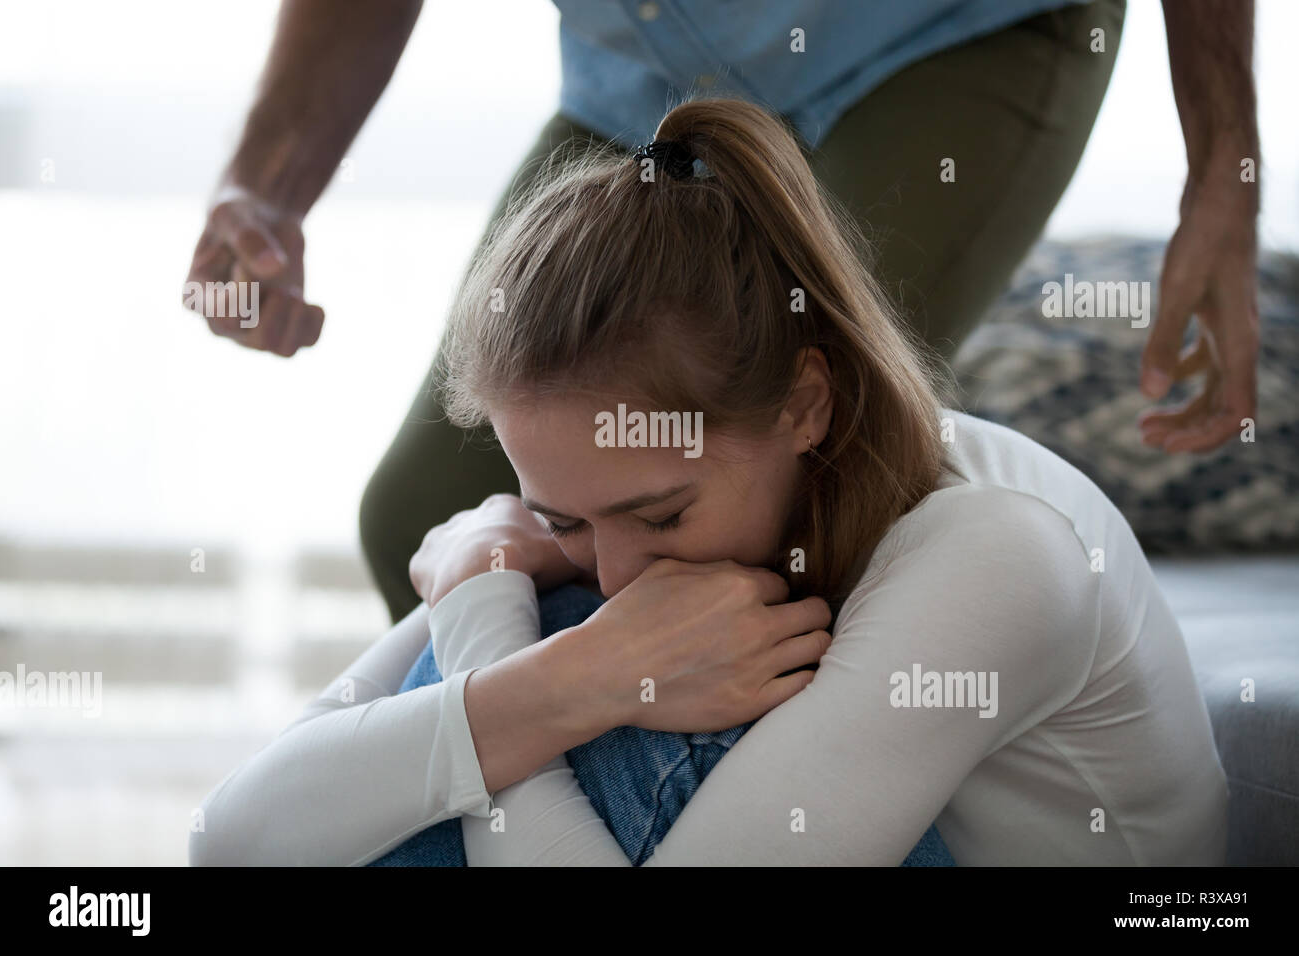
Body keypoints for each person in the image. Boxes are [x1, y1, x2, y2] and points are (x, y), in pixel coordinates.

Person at [190, 99, 1228, 866]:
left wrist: (489, 625)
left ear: (805, 405)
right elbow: (233, 834)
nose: (619, 566)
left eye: (658, 511)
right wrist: (559, 672)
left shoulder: (995, 552)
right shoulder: (646, 524)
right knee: (557, 644)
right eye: (563, 513)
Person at [181, 0, 1261, 625]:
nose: (605, 567)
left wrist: (1223, 169)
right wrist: (265, 184)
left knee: (796, 528)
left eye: (635, 523)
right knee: (419, 515)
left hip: (948, 28)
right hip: (652, 55)